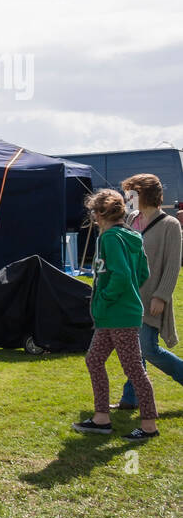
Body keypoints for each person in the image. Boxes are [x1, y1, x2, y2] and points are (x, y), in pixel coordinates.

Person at [73, 189, 158, 440]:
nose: (93, 217)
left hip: (118, 314)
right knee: (94, 359)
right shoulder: (133, 235)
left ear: (100, 213)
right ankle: (101, 419)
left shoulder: (110, 237)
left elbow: (121, 275)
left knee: (133, 368)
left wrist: (106, 297)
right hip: (114, 315)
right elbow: (142, 274)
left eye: (93, 212)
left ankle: (149, 426)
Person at [113, 173, 183, 413]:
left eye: (131, 193)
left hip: (151, 298)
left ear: (143, 194)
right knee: (134, 351)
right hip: (129, 297)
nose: (126, 197)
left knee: (148, 349)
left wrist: (161, 296)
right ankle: (130, 398)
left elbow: (173, 265)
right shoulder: (131, 219)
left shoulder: (170, 225)